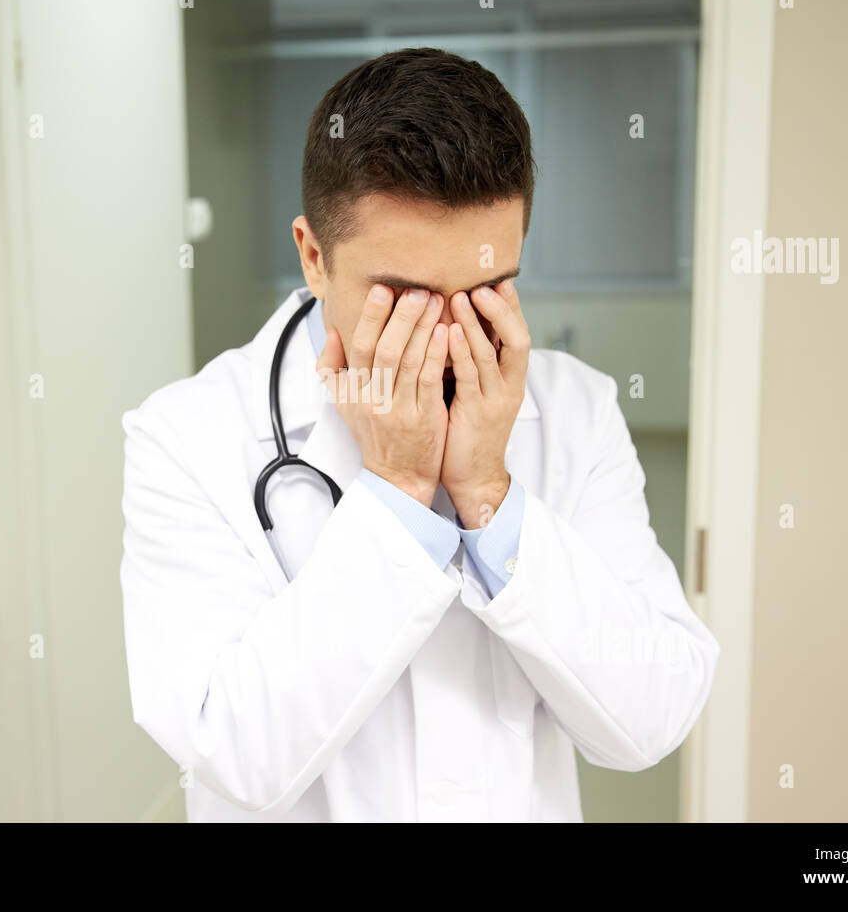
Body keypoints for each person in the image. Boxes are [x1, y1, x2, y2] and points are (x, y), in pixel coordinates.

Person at [120, 47, 720, 822]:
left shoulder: (577, 411)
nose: (443, 333)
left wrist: (491, 498)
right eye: (402, 295)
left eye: (484, 290)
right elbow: (233, 757)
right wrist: (400, 493)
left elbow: (652, 719)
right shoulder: (187, 436)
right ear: (313, 256)